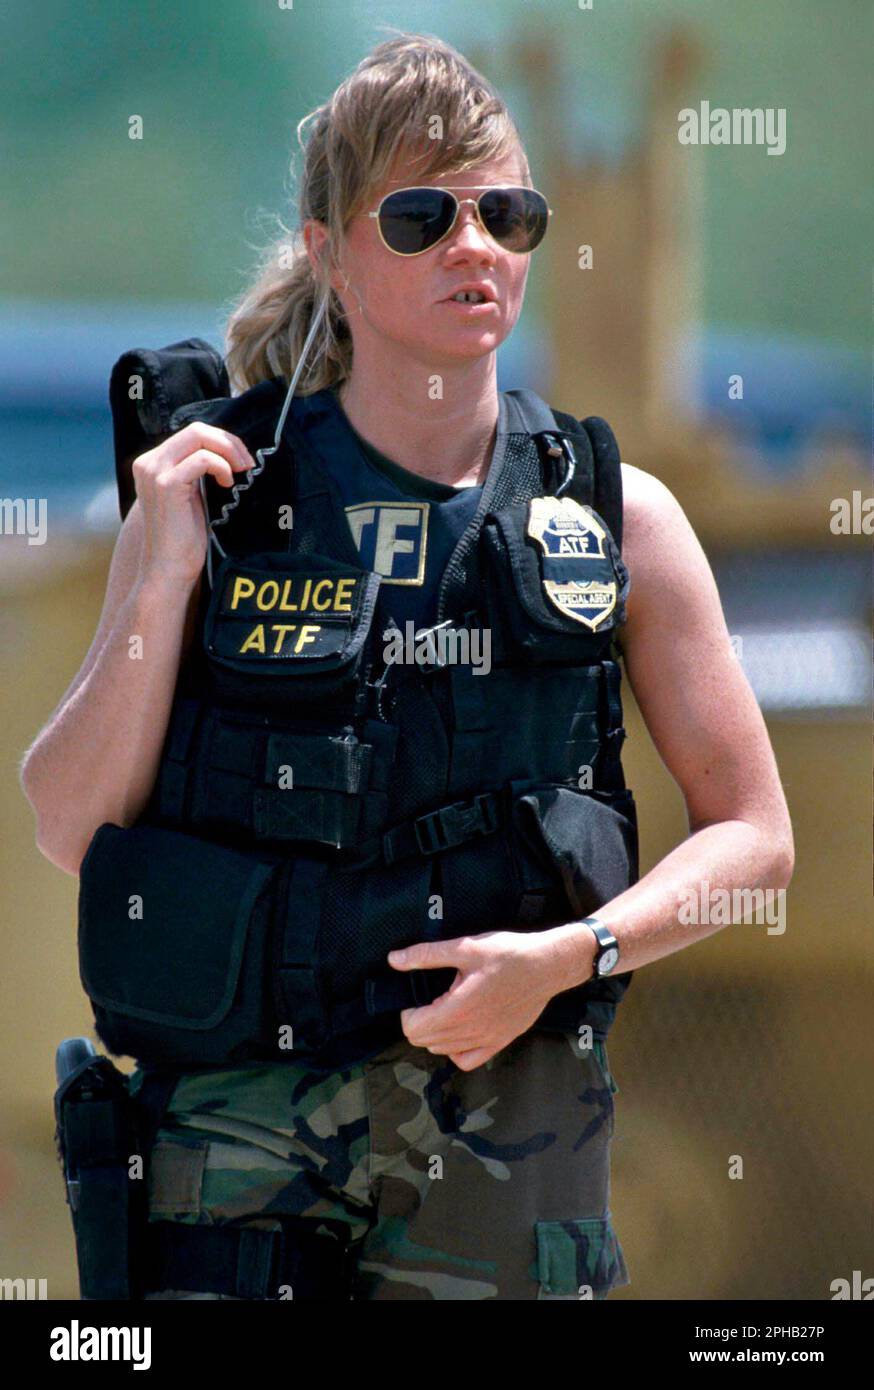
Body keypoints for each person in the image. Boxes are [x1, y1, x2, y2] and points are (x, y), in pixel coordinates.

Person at [21, 32, 793, 1301]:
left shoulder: (615, 514)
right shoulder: (219, 497)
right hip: (236, 1161)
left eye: (508, 214)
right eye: (422, 216)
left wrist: (573, 953)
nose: (474, 248)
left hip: (510, 1150)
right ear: (328, 248)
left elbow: (755, 836)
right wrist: (159, 573)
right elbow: (67, 819)